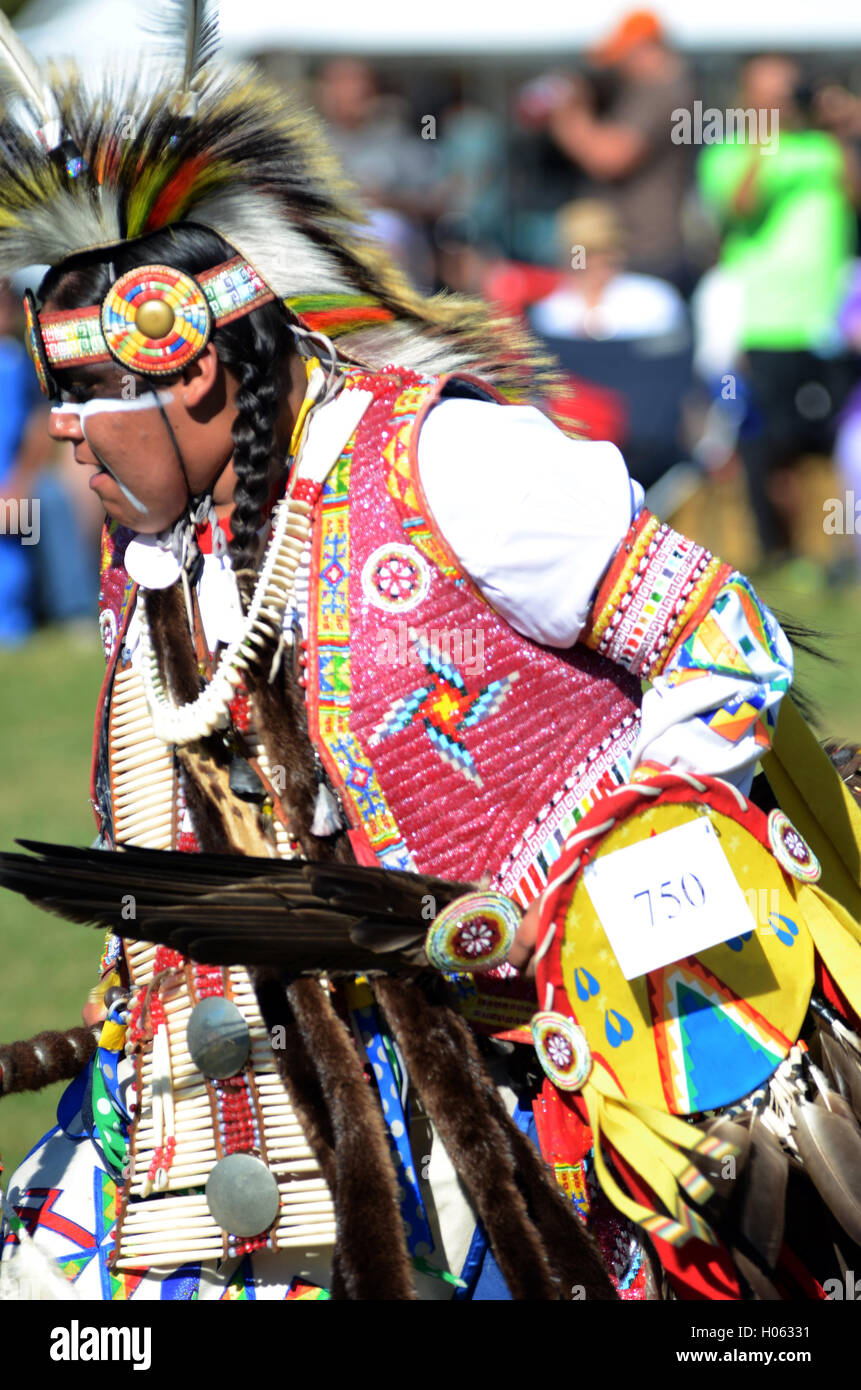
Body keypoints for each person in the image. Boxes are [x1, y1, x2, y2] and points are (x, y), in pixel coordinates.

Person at [1, 16, 860, 1304]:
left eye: (91, 404)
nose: (66, 437)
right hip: (283, 1099)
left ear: (192, 374)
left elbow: (725, 646)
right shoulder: (167, 558)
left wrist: (590, 897)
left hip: (550, 1077)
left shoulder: (449, 466)